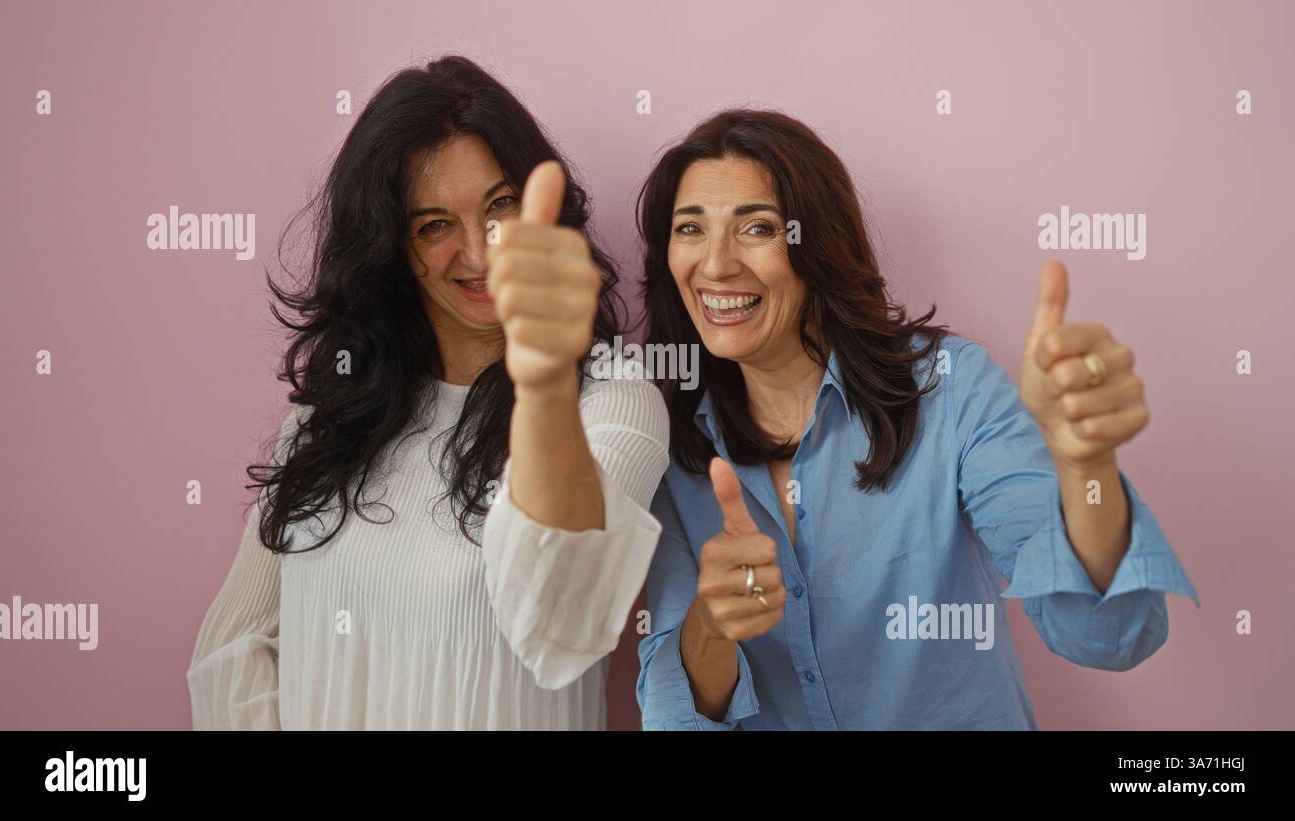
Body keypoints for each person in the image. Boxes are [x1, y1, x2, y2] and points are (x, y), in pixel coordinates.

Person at [634, 108, 1198, 730]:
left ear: (817, 243)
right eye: (691, 228)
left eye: (758, 228)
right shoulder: (670, 441)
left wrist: (1084, 467)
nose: (716, 264)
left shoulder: (950, 388)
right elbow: (673, 719)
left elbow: (1105, 636)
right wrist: (714, 622)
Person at [187, 55, 668, 730]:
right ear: (393, 247)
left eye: (501, 205)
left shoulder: (613, 400)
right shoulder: (331, 418)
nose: (480, 253)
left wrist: (544, 384)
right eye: (434, 224)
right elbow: (230, 651)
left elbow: (562, 626)